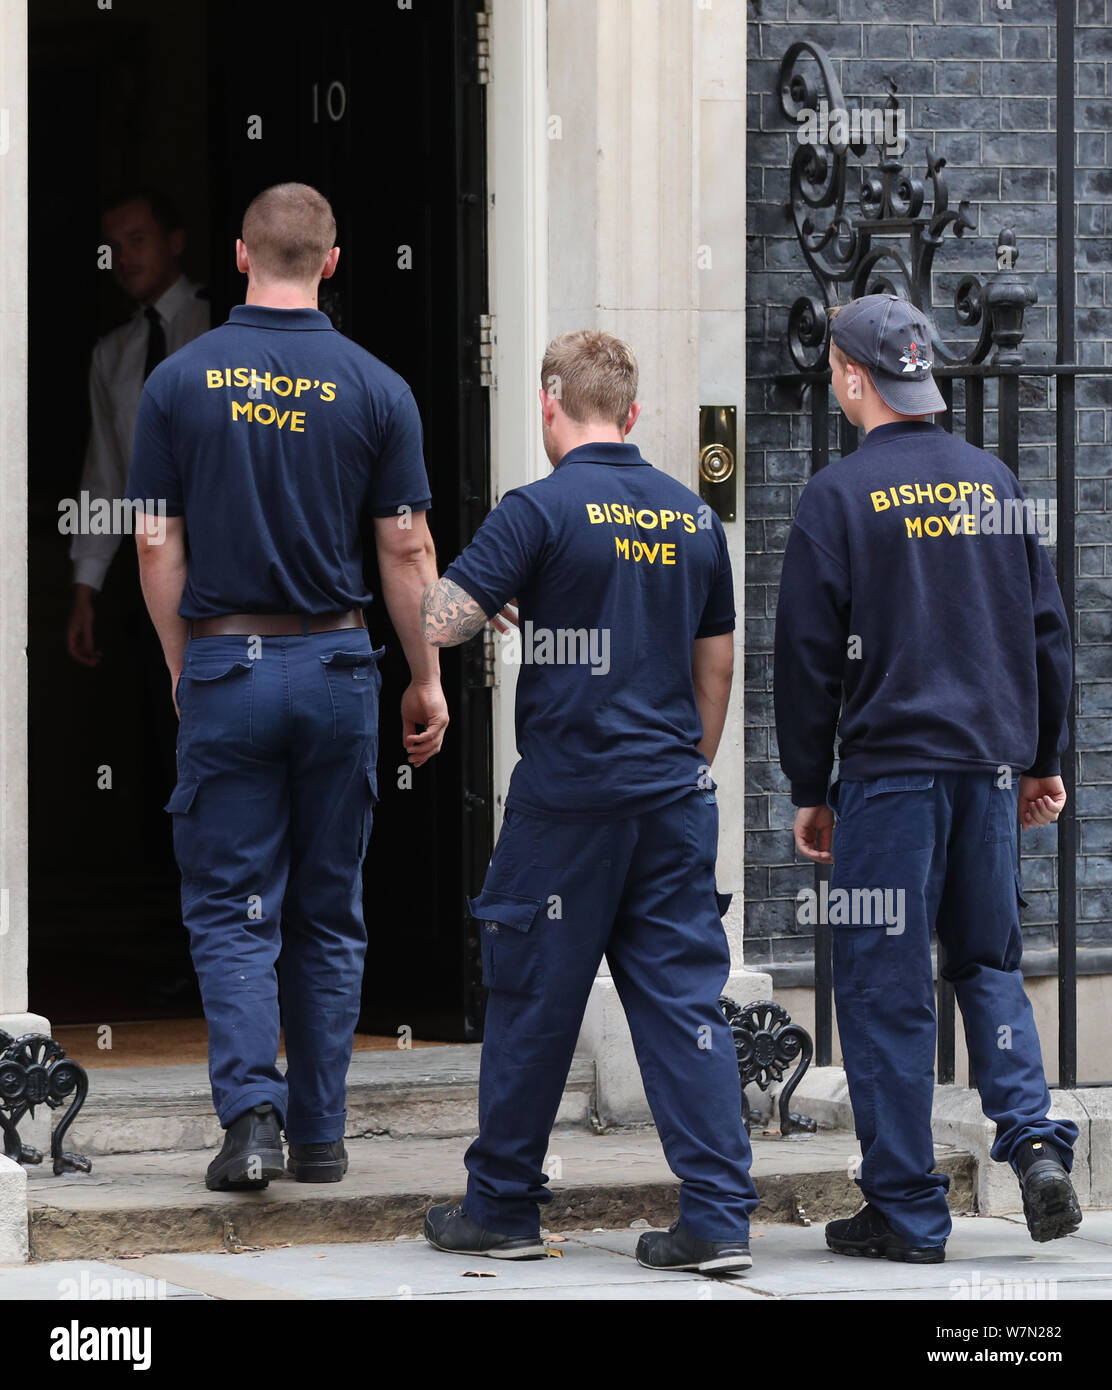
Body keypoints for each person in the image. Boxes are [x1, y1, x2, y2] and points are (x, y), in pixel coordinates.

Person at [124, 183, 448, 1191]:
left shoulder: (176, 383)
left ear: (236, 255)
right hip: (340, 666)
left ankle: (252, 1127)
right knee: (326, 909)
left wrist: (188, 662)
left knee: (231, 909)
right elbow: (406, 547)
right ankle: (320, 1136)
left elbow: (151, 538)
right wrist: (426, 675)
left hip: (230, 660)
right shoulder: (377, 386)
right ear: (334, 262)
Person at [420, 330, 757, 1274]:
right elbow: (716, 661)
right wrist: (688, 764)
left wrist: (489, 595)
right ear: (635, 414)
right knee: (685, 1003)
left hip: (567, 805)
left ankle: (503, 1208)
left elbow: (438, 621)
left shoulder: (537, 510)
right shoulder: (694, 520)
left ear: (547, 402)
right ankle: (720, 1216)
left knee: (532, 999)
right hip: (672, 799)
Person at [774, 293, 1081, 1263]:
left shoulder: (835, 496)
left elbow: (805, 658)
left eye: (832, 367)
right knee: (987, 966)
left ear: (854, 378)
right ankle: (1031, 1142)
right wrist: (1041, 759)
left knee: (883, 986)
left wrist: (806, 784)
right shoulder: (992, 480)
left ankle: (905, 1210)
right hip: (986, 774)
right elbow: (1047, 638)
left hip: (887, 781)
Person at [68, 190, 210, 666]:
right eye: (112, 246)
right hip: (145, 563)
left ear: (174, 242)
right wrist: (87, 585)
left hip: (228, 559)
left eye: (136, 240)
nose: (122, 258)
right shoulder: (111, 353)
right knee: (156, 712)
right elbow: (105, 474)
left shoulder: (220, 321)